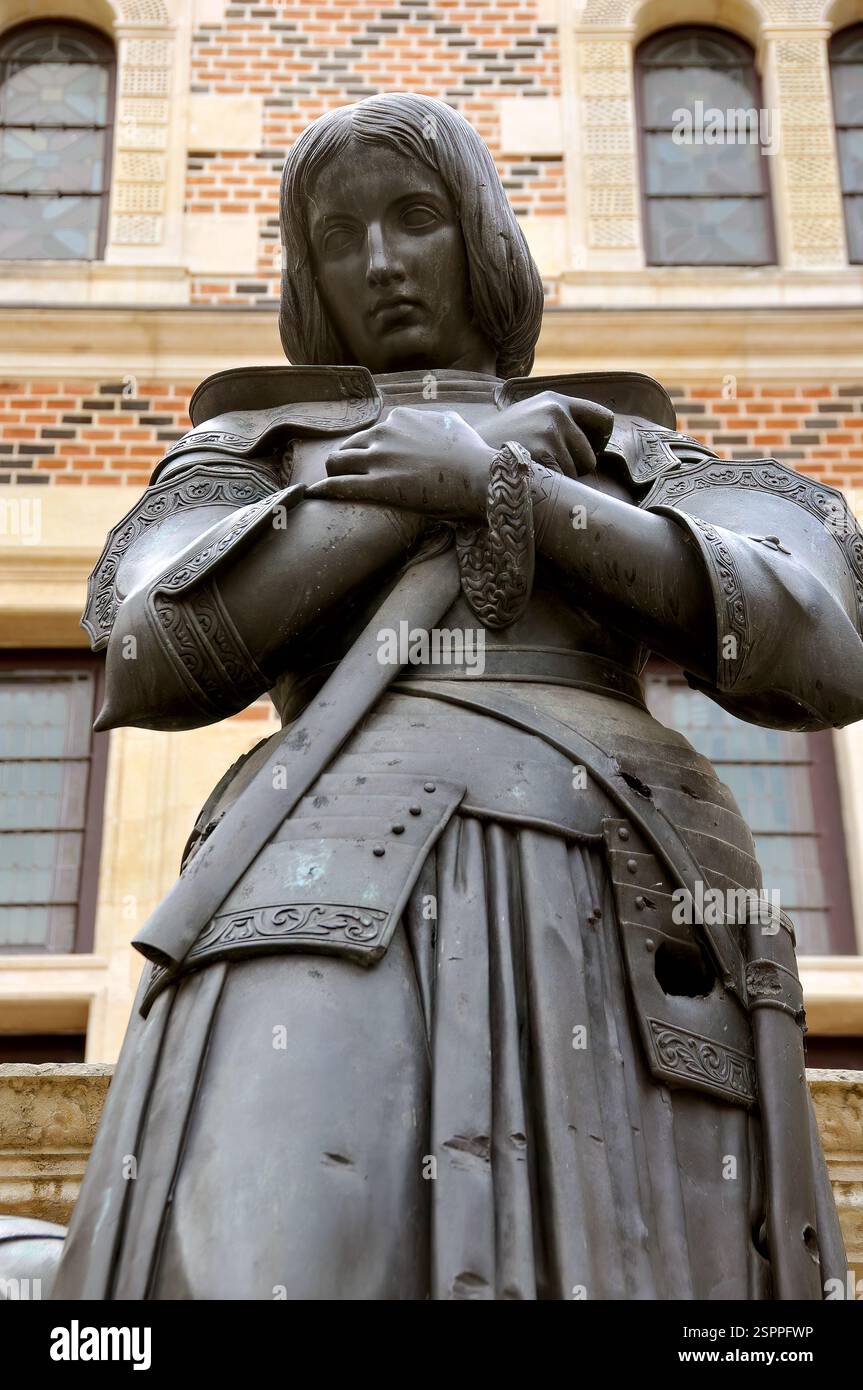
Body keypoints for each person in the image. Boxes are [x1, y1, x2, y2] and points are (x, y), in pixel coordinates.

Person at [53, 93, 862, 1301]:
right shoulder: (253, 451)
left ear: (479, 236)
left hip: (615, 889)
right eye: (339, 235)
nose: (378, 261)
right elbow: (145, 648)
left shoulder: (627, 449)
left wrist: (531, 495)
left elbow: (819, 642)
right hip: (313, 882)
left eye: (415, 218)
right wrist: (415, 486)